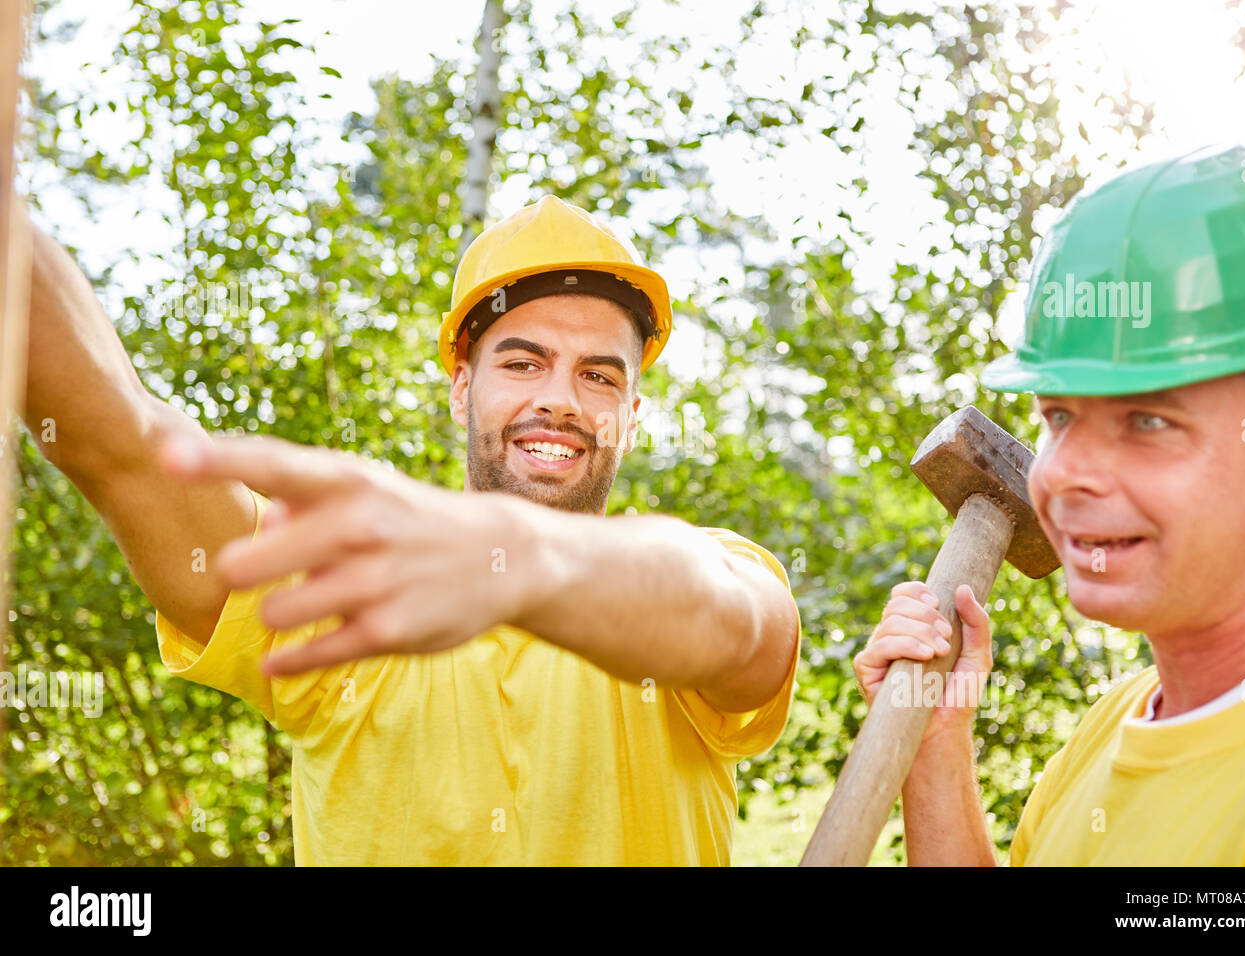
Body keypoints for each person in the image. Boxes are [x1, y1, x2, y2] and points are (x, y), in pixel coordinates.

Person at [23, 194, 802, 865]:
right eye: (522, 364)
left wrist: (520, 559)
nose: (561, 400)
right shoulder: (343, 593)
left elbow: (737, 627)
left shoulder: (711, 574)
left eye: (598, 375)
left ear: (630, 418)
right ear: (462, 390)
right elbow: (115, 438)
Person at [853, 144, 1245, 865]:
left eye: (1148, 421)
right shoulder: (1116, 721)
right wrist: (934, 744)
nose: (1062, 474)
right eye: (1058, 416)